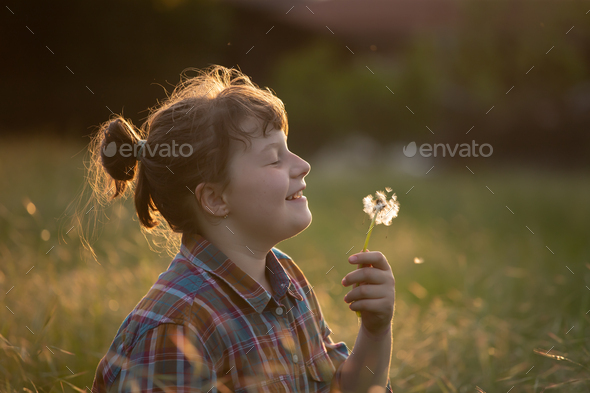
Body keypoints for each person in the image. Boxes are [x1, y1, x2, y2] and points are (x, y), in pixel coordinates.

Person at [86, 65, 394, 392]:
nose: (303, 165)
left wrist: (376, 331)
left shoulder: (286, 278)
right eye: (275, 159)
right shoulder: (176, 327)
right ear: (216, 199)